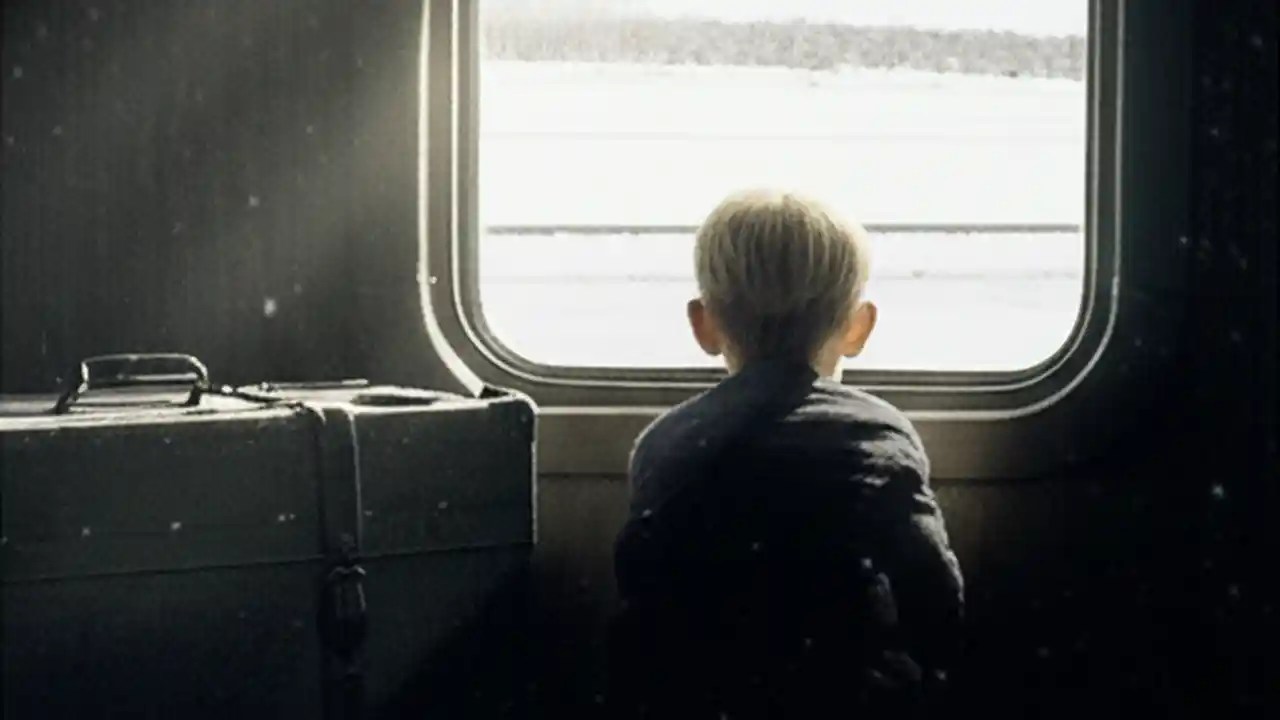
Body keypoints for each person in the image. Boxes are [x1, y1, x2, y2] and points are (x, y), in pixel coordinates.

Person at [608, 189, 964, 718]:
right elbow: (932, 588)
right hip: (841, 691)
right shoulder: (878, 435)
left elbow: (637, 578)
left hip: (700, 692)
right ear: (858, 327)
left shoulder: (665, 442)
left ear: (704, 325)